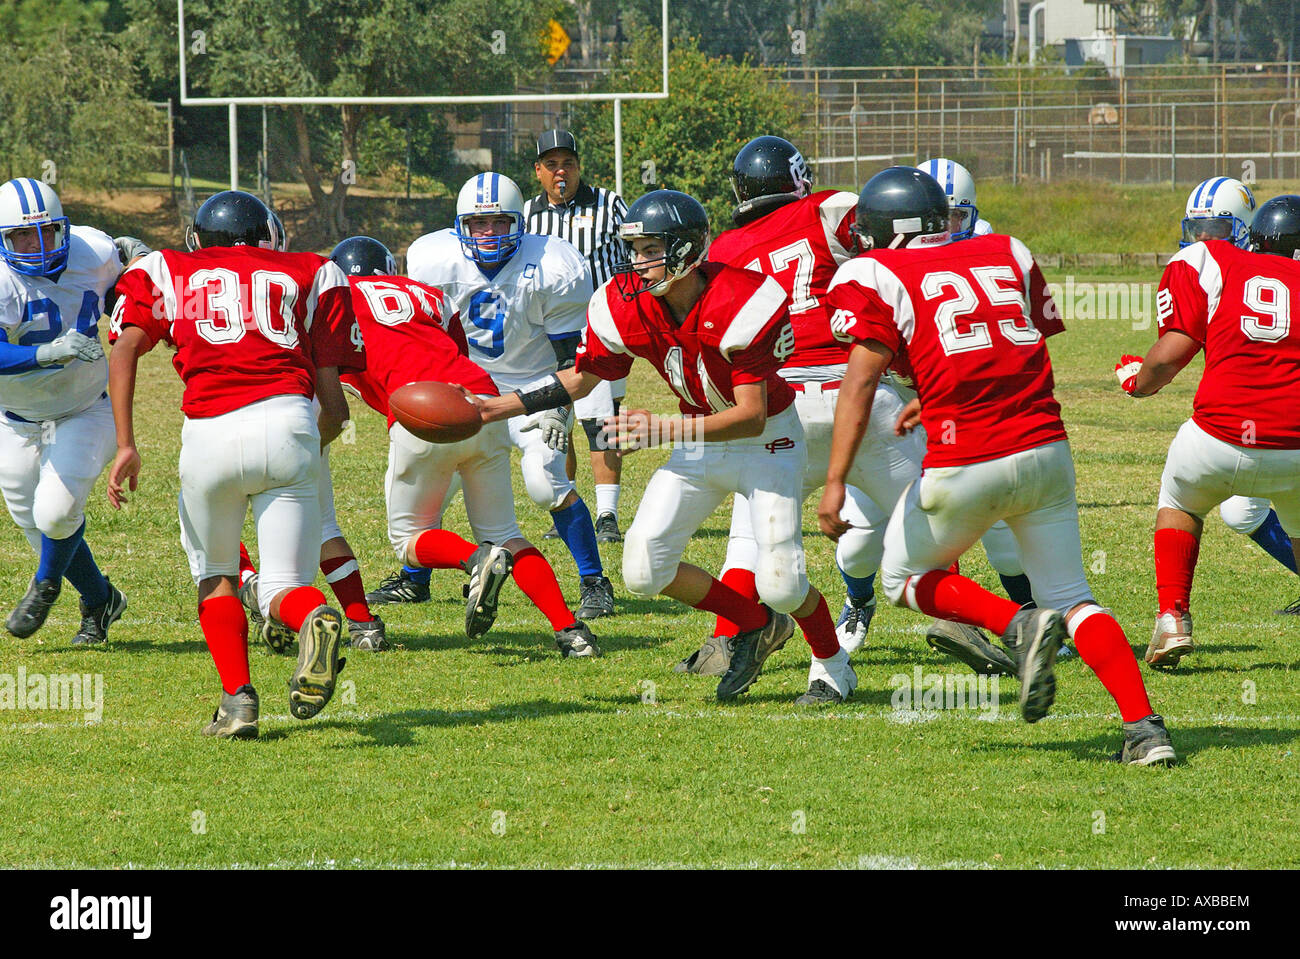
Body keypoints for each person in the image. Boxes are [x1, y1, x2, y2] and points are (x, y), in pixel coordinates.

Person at [820, 166, 1174, 765]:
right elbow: (998, 346)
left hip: (967, 461)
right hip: (1044, 449)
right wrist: (931, 395)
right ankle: (1145, 731)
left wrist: (833, 481)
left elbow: (858, 384)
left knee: (902, 579)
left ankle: (1016, 626)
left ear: (883, 230)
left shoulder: (872, 271)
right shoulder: (1006, 249)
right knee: (1073, 595)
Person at [470, 189, 857, 705]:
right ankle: (758, 624)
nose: (638, 262)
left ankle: (832, 665)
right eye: (634, 249)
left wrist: (662, 430)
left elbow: (750, 416)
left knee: (783, 582)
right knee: (644, 569)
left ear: (688, 248)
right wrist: (496, 408)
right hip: (699, 438)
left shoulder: (743, 298)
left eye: (651, 249)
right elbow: (582, 378)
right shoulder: (623, 302)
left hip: (768, 442)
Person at [106, 190, 362, 739]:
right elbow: (336, 408)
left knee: (216, 573)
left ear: (200, 240)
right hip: (289, 420)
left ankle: (239, 702)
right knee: (282, 587)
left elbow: (125, 349)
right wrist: (302, 452)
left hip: (210, 433)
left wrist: (125, 444)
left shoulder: (167, 268)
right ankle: (310, 615)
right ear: (270, 236)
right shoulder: (315, 271)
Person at [685, 135, 923, 690]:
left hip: (777, 402)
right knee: (932, 510)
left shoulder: (721, 249)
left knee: (750, 537)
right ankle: (991, 618)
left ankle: (736, 636)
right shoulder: (829, 209)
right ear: (798, 178)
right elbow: (896, 246)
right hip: (856, 389)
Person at [331, 235, 600, 657]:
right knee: (506, 533)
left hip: (424, 414)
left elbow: (335, 371)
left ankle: (475, 561)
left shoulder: (337, 301)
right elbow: (453, 352)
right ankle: (572, 633)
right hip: (481, 403)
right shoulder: (426, 294)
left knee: (409, 539)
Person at [394, 172, 616, 623]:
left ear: (520, 222)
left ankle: (595, 581)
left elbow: (570, 358)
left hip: (533, 387)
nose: (489, 234)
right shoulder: (431, 260)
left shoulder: (554, 264)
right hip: (466, 386)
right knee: (433, 481)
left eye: (499, 222)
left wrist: (558, 404)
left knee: (544, 482)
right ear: (460, 226)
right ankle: (413, 579)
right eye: (478, 224)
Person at [1116, 194, 1300, 670]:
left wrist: (1140, 383)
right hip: (1296, 445)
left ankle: (1173, 617)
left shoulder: (1214, 259)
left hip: (1218, 435)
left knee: (1179, 500)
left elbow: (1172, 350)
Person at [235, 218, 387, 654]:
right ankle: (360, 621)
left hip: (232, 412)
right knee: (320, 524)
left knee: (215, 518)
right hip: (301, 410)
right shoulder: (308, 275)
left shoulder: (209, 281)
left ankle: (254, 589)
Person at [0, 177, 128, 645]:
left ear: (64, 229)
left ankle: (45, 585)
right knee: (35, 521)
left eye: (48, 232)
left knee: (55, 514)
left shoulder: (93, 251)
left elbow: (134, 274)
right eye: (22, 237)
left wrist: (139, 261)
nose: (37, 245)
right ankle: (100, 599)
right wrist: (45, 355)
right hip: (13, 418)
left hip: (85, 409)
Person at [1170, 178, 1299, 604]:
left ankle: (1171, 613)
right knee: (1241, 510)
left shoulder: (1233, 272)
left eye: (1219, 230)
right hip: (1263, 424)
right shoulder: (1226, 270)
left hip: (1257, 426)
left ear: (1249, 230)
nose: (1204, 240)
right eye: (1196, 230)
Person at [523, 129, 628, 543]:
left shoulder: (609, 205)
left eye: (567, 163)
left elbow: (629, 258)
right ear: (538, 171)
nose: (560, 171)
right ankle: (565, 504)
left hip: (598, 327)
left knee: (601, 422)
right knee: (555, 421)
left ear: (579, 166)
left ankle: (606, 514)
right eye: (551, 164)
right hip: (546, 334)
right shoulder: (528, 214)